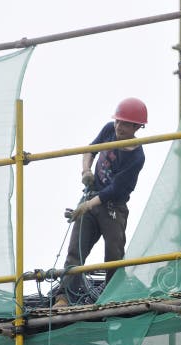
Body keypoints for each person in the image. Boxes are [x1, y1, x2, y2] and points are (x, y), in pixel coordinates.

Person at [53, 97, 147, 307]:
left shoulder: (136, 157)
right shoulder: (109, 130)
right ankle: (64, 297)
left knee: (114, 255)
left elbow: (116, 189)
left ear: (136, 127)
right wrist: (86, 171)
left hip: (113, 208)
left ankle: (112, 297)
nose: (119, 127)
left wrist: (87, 205)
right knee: (76, 250)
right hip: (92, 197)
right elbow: (91, 149)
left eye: (125, 124)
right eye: (118, 121)